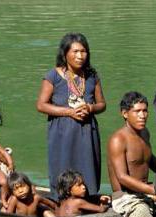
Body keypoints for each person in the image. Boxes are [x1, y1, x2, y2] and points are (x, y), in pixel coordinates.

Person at [36, 33, 106, 201]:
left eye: (83, 51)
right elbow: (41, 105)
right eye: (75, 52)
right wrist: (69, 112)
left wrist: (90, 107)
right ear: (65, 53)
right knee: (62, 163)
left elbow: (102, 104)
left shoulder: (91, 76)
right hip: (62, 132)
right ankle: (60, 199)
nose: (80, 56)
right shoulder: (53, 76)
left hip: (87, 131)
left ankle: (87, 197)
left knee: (88, 163)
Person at [106, 91, 156, 217]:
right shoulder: (118, 140)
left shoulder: (145, 133)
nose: (142, 116)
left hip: (146, 193)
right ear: (125, 114)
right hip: (126, 198)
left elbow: (149, 159)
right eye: (137, 111)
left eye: (145, 111)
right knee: (144, 215)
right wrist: (153, 190)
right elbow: (122, 177)